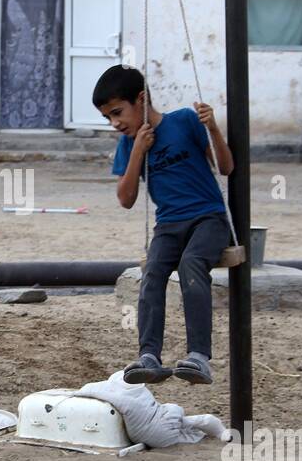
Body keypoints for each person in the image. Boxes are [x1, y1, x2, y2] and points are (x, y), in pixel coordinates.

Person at [93, 64, 234, 386]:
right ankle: (149, 357)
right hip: (168, 225)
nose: (115, 123)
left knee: (191, 265)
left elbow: (226, 167)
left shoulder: (184, 121)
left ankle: (199, 357)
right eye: (108, 118)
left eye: (118, 113)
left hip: (208, 219)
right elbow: (126, 199)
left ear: (140, 99)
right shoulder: (130, 143)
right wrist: (138, 152)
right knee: (153, 273)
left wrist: (213, 128)